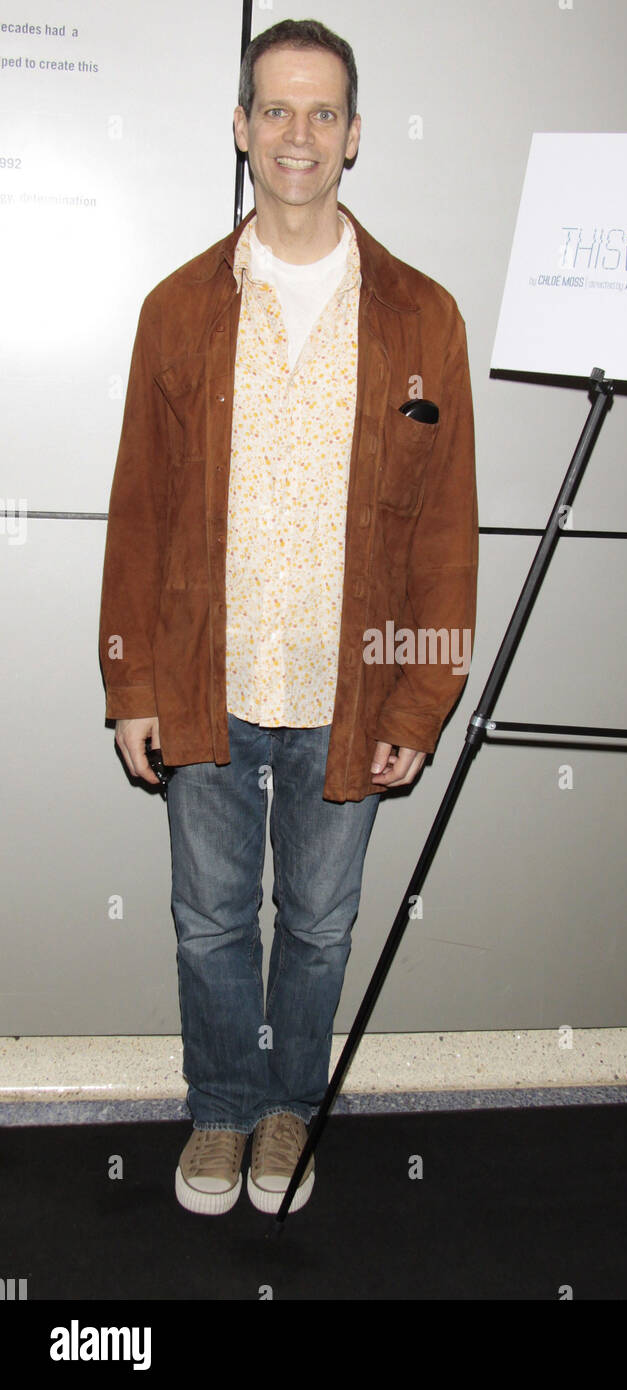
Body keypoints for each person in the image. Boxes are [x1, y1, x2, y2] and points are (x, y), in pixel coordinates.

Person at [98, 18, 478, 1216]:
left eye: (323, 113)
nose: (298, 135)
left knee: (316, 929)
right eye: (276, 110)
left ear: (355, 135)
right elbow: (139, 514)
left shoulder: (425, 318)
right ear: (241, 128)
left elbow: (447, 537)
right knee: (210, 922)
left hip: (348, 692)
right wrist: (132, 688)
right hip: (209, 681)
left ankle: (286, 1113)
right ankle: (218, 1109)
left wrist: (421, 698)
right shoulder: (176, 310)